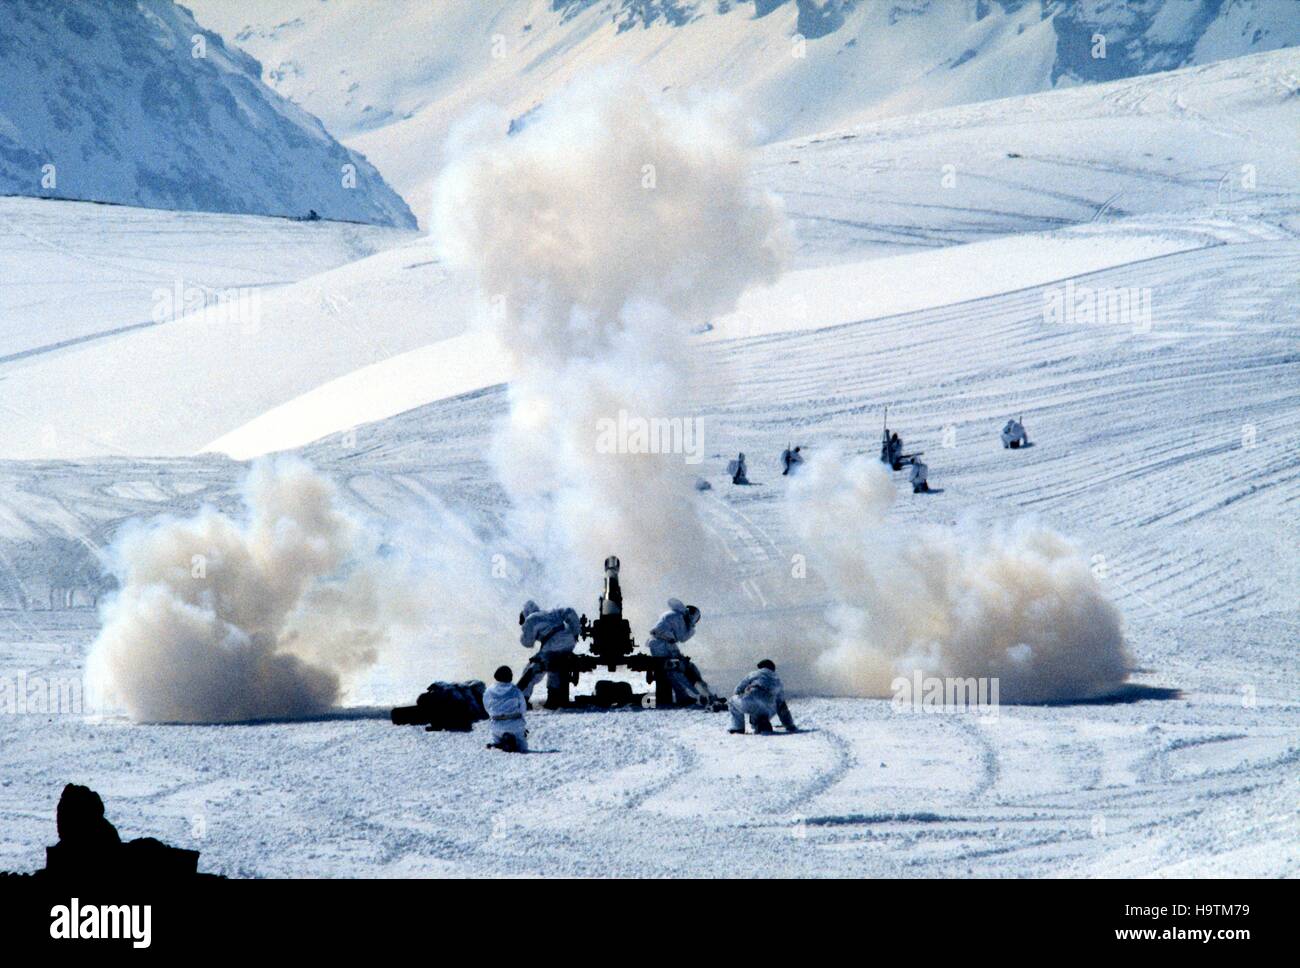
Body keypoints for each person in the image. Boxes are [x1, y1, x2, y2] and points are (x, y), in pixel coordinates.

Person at [647, 598, 716, 705]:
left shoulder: (673, 614)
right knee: (676, 668)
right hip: (662, 644)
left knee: (679, 667)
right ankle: (694, 695)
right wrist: (692, 627)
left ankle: (686, 695)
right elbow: (682, 637)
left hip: (662, 643)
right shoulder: (678, 617)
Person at [517, 599, 581, 707]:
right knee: (555, 667)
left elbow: (527, 643)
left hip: (552, 645)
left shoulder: (530, 620)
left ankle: (523, 698)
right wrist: (575, 632)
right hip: (569, 642)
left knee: (533, 669)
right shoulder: (551, 611)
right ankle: (554, 698)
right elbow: (569, 611)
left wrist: (524, 629)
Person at [728, 659, 796, 734]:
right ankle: (762, 723)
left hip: (752, 700)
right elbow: (782, 706)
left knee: (732, 701)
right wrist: (789, 725)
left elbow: (737, 690)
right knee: (760, 712)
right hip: (769, 709)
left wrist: (744, 694)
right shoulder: (777, 680)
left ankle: (737, 728)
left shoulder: (754, 674)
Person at [484, 666, 528, 752]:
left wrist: (494, 714)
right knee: (522, 746)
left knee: (495, 736)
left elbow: (487, 707)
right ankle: (515, 743)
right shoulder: (516, 690)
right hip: (515, 724)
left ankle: (497, 743)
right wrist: (521, 720)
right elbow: (523, 708)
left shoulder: (489, 691)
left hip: (497, 724)